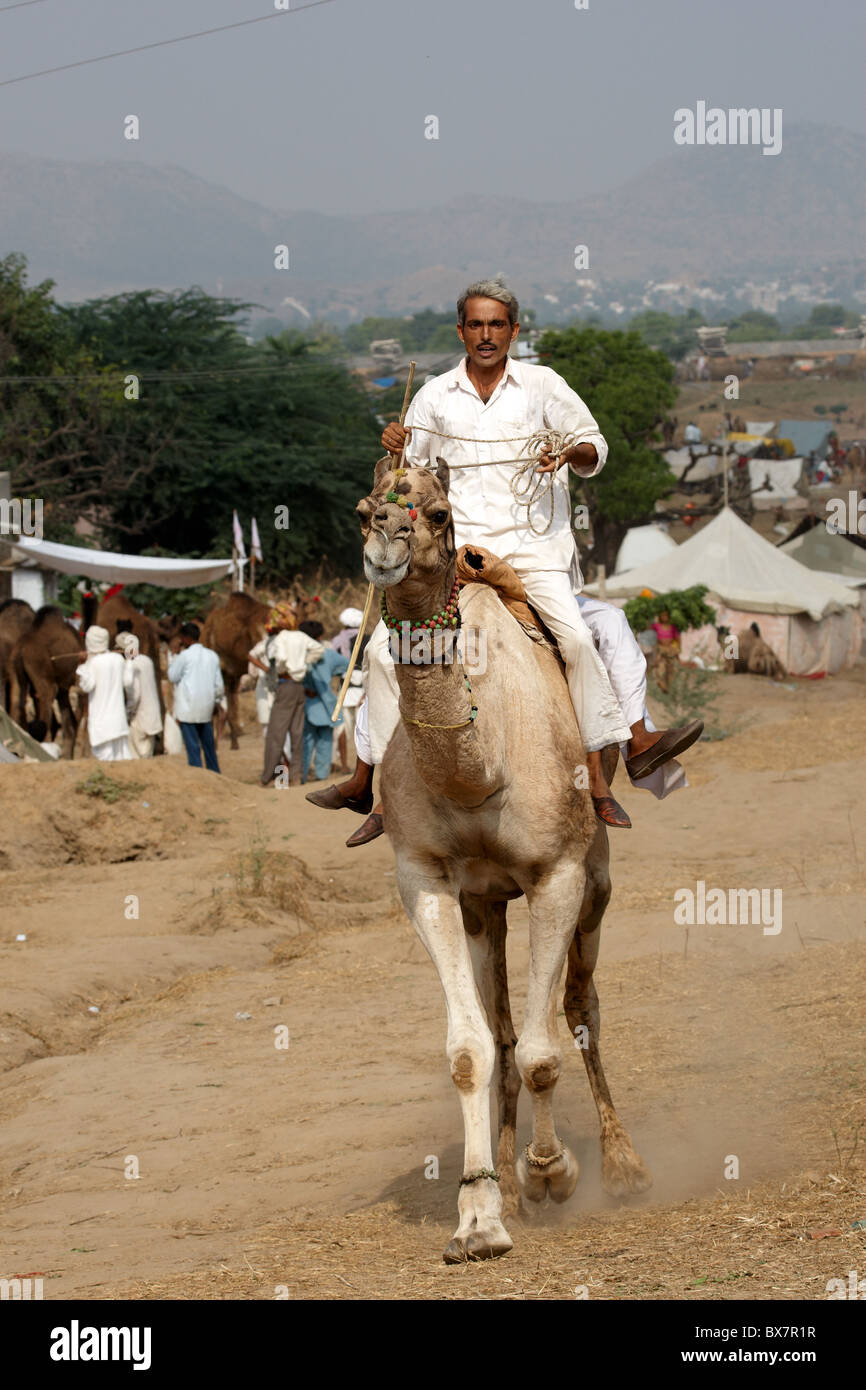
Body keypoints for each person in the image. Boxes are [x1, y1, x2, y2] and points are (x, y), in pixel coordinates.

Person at [308, 276, 701, 844]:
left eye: (498, 324)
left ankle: (607, 769)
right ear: (461, 330)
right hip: (457, 556)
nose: (486, 334)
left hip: (533, 554)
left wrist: (569, 449)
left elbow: (596, 446)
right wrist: (394, 449)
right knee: (384, 651)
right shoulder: (435, 395)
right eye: (476, 324)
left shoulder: (543, 385)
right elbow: (408, 484)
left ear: (514, 330)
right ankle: (369, 782)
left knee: (580, 639)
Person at [252, 602, 325, 787]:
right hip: (299, 687)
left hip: (285, 685)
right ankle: (295, 776)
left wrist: (285, 669)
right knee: (297, 733)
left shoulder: (281, 637)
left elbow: (282, 659)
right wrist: (303, 663)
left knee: (276, 734)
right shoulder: (301, 636)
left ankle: (268, 776)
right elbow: (319, 649)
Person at [167, 622, 224, 773]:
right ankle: (215, 775)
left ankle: (198, 777)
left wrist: (174, 654)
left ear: (185, 639)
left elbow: (172, 676)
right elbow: (219, 686)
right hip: (206, 708)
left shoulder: (184, 656)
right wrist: (216, 702)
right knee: (209, 748)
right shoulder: (212, 656)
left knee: (193, 749)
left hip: (187, 709)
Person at [298, 619, 349, 783]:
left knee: (305, 742)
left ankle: (302, 775)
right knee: (325, 742)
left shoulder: (300, 652)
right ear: (320, 636)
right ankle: (321, 776)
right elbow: (347, 665)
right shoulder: (328, 654)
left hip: (306, 703)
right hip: (327, 705)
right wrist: (332, 673)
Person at [76, 624, 133, 761]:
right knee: (121, 760)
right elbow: (128, 682)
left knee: (106, 762)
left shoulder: (93, 663)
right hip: (118, 722)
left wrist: (82, 665)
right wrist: (129, 660)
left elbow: (86, 686)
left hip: (102, 724)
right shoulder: (118, 659)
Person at [115, 631, 162, 758]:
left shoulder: (130, 666)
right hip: (152, 718)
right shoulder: (147, 661)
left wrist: (128, 713)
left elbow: (134, 695)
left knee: (136, 759)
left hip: (139, 719)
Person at [650, 610, 681, 694]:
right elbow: (648, 629)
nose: (664, 617)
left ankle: (669, 687)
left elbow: (677, 638)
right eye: (662, 616)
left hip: (670, 649)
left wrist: (678, 649)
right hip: (660, 649)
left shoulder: (672, 627)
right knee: (659, 667)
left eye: (666, 616)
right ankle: (661, 684)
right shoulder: (656, 626)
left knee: (671, 668)